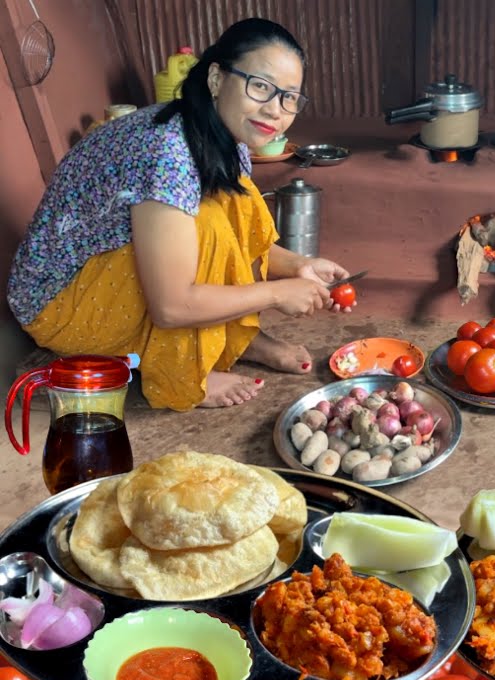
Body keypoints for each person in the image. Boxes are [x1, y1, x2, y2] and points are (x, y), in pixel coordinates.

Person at [7, 18, 352, 410]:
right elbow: (171, 306)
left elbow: (238, 232)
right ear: (217, 79)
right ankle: (186, 370)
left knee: (236, 201)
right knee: (204, 225)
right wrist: (276, 293)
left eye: (289, 97)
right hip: (61, 304)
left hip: (111, 269)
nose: (275, 109)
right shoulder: (167, 152)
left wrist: (298, 267)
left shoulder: (219, 130)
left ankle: (239, 338)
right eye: (260, 86)